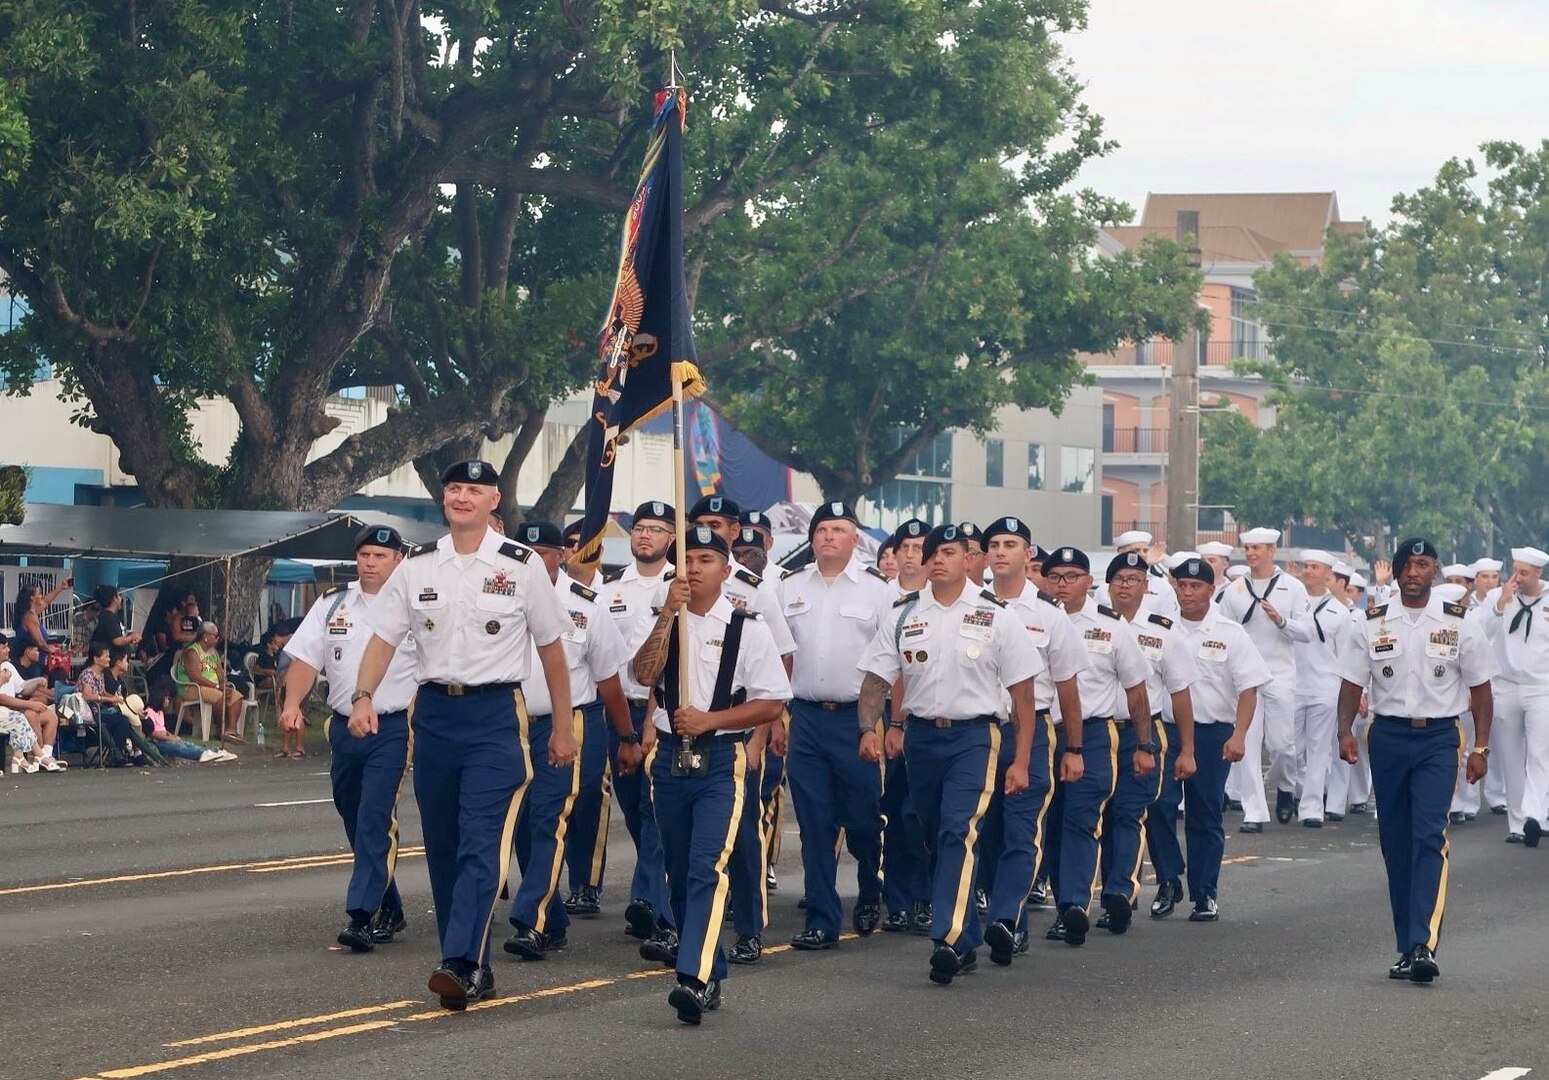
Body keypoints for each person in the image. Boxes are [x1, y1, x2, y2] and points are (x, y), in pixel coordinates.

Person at [350, 460, 574, 1011]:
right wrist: (363, 695)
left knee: (480, 841)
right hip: (433, 716)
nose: (462, 497)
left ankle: (460, 963)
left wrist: (564, 726)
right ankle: (475, 963)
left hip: (496, 716)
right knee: (445, 845)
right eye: (454, 489)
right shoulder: (418, 564)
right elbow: (383, 637)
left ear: (494, 500)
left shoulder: (521, 566)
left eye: (474, 490)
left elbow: (551, 649)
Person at [857, 523, 1042, 985]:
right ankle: (967, 937)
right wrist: (868, 727)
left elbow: (1022, 696)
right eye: (931, 552)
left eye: (948, 552)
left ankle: (947, 936)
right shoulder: (903, 614)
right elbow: (877, 678)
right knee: (933, 833)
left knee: (958, 832)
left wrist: (1020, 761)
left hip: (975, 738)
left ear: (969, 559)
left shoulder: (995, 614)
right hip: (921, 738)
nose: (937, 559)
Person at [630, 525, 791, 1024]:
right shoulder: (666, 619)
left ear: (725, 570)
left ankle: (692, 978)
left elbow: (771, 700)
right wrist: (666, 613)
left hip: (721, 758)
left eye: (705, 559)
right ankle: (710, 965)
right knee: (678, 870)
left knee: (706, 867)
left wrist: (712, 720)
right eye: (687, 560)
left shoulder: (748, 627)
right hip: (670, 762)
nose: (694, 568)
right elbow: (642, 674)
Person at [1337, 538, 1495, 983]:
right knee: (1396, 842)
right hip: (1386, 736)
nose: (1412, 572)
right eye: (1406, 564)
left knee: (1428, 836)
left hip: (1438, 739)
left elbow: (1481, 689)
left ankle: (1423, 942)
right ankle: (1406, 945)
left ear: (1434, 572)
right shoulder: (1371, 623)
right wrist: (1343, 731)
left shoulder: (1459, 624)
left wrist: (1480, 747)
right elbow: (1352, 682)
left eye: (1421, 565)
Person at [283, 525, 418, 952]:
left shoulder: (415, 605)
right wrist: (291, 703)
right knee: (353, 815)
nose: (371, 563)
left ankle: (362, 915)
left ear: (398, 559)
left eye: (381, 556)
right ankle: (390, 904)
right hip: (344, 727)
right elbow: (305, 658)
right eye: (365, 555)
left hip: (392, 725)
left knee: (376, 817)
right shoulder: (332, 603)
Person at [502, 521, 633, 961]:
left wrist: (626, 736)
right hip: (512, 722)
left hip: (567, 722)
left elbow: (609, 679)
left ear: (562, 555)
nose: (538, 558)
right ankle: (551, 915)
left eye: (546, 551)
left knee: (548, 819)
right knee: (519, 824)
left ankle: (532, 922)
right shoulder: (498, 598)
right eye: (528, 550)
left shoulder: (585, 606)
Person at [679, 493, 796, 967]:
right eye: (700, 525)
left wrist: (760, 739)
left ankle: (749, 926)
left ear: (732, 532)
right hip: (679, 739)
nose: (710, 532)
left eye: (717, 527)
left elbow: (779, 665)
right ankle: (695, 929)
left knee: (744, 836)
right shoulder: (671, 595)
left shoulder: (756, 591)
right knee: (689, 844)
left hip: (737, 738)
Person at [777, 501, 893, 951]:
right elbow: (780, 656)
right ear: (812, 538)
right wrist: (776, 719)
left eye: (838, 529)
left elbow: (888, 662)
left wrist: (881, 724)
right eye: (822, 529)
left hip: (856, 720)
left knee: (863, 819)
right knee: (814, 822)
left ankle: (869, 884)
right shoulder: (790, 587)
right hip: (804, 716)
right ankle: (823, 919)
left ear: (854, 539)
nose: (828, 536)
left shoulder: (876, 590)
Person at [976, 516, 1085, 963]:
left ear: (1028, 554)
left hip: (1032, 729)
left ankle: (1005, 919)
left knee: (1022, 828)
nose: (1001, 552)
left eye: (1011, 544)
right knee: (986, 830)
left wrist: (1074, 748)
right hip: (979, 729)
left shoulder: (1048, 613)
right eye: (994, 545)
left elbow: (1067, 686)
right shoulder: (970, 604)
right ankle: (993, 916)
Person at [1040, 546, 1153, 946]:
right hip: (1041, 733)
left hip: (1092, 735)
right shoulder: (1028, 619)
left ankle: (1072, 905)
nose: (1062, 584)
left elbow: (1136, 688)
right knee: (1049, 824)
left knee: (1080, 820)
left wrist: (1145, 744)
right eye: (1054, 576)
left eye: (1072, 576)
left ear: (1089, 582)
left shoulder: (1111, 626)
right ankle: (1061, 898)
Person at [1157, 558, 1270, 919]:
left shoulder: (1230, 632)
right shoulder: (1160, 628)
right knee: (1156, 805)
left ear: (1211, 589)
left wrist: (1239, 735)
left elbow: (1249, 688)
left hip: (1212, 732)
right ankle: (1168, 877)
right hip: (1166, 730)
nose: (1188, 593)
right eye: (1182, 586)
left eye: (1196, 587)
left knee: (1204, 814)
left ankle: (1204, 893)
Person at [595, 500, 674, 952]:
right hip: (617, 709)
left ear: (671, 539)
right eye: (639, 528)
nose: (645, 536)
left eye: (656, 529)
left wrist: (648, 721)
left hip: (659, 711)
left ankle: (649, 900)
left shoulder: (678, 588)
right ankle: (651, 893)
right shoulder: (611, 590)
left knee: (655, 811)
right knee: (631, 805)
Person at [1103, 552, 1197, 929]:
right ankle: (1098, 889)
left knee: (1128, 812)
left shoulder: (1162, 632)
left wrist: (1187, 749)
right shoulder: (1090, 625)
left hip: (1143, 734)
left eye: (1134, 579)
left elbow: (1180, 693)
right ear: (1108, 585)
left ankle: (1118, 894)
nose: (1126, 585)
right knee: (1097, 817)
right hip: (1096, 732)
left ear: (1146, 586)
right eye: (1119, 578)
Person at [1216, 526, 1312, 832]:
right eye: (1248, 548)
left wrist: (1281, 621)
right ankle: (1254, 812)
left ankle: (1285, 785)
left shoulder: (1292, 587)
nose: (1252, 554)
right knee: (1246, 742)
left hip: (1280, 673)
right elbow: (1224, 631)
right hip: (1245, 678)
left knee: (1282, 745)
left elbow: (1307, 632)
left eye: (1258, 548)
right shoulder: (1234, 590)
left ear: (1272, 551)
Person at [878, 518, 932, 934]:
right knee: (891, 811)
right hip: (881, 713)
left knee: (922, 814)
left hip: (924, 717)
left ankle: (926, 897)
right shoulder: (878, 599)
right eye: (904, 548)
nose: (911, 555)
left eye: (919, 547)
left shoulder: (944, 599)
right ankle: (896, 899)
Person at [1477, 546, 1549, 846]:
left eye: (1524, 573)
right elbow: (1478, 633)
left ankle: (1536, 815)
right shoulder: (1499, 596)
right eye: (1515, 570)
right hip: (1505, 685)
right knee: (1511, 756)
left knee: (1539, 753)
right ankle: (1517, 824)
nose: (1516, 578)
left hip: (1541, 687)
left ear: (1539, 574)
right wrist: (1500, 605)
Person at [1290, 550, 1353, 827]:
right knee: (1289, 747)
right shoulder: (1292, 603)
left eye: (1314, 567)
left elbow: (1347, 658)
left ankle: (1312, 808)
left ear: (1328, 574)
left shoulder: (1340, 613)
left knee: (1318, 750)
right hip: (1292, 684)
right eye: (1306, 566)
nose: (1308, 571)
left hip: (1325, 687)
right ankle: (1296, 791)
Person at [74, 643, 163, 766]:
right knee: (122, 721)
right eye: (106, 656)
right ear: (96, 659)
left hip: (100, 710)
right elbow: (87, 695)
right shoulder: (88, 674)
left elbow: (102, 691)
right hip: (91, 712)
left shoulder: (99, 674)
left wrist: (114, 698)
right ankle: (116, 754)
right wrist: (109, 700)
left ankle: (118, 753)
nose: (109, 659)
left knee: (123, 720)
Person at [0, 636, 66, 771]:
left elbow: (22, 688)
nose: (8, 650)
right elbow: (3, 699)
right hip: (9, 710)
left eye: (7, 647)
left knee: (50, 715)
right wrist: (31, 704)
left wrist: (38, 680)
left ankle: (45, 755)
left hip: (12, 711)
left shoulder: (7, 666)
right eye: (4, 647)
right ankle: (38, 756)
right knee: (29, 715)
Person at [172, 621, 246, 741]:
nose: (218, 638)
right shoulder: (192, 651)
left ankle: (230, 730)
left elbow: (220, 672)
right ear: (205, 636)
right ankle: (220, 729)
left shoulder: (213, 652)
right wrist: (216, 686)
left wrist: (223, 684)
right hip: (192, 687)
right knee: (219, 697)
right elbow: (195, 676)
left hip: (212, 686)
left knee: (236, 697)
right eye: (215, 635)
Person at [12, 578, 71, 657]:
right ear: (32, 598)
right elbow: (40, 642)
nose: (41, 596)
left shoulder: (32, 612)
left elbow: (46, 601)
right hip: (30, 661)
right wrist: (51, 649)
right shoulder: (29, 617)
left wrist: (61, 587)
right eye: (39, 594)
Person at [90, 586, 142, 651]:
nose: (121, 598)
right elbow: (117, 640)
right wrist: (131, 637)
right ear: (114, 598)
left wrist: (128, 636)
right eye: (119, 595)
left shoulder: (108, 616)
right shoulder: (108, 617)